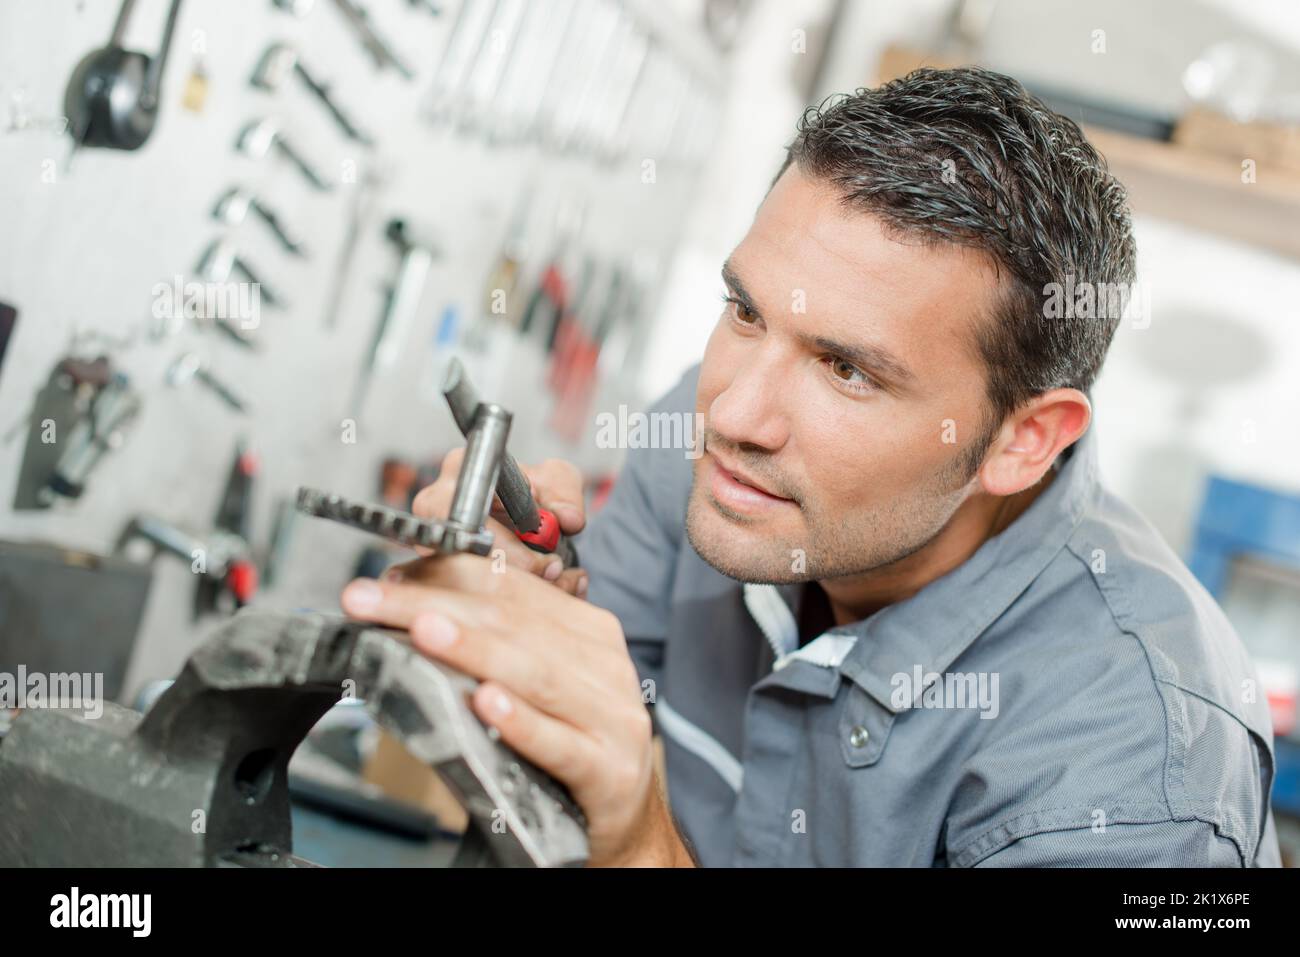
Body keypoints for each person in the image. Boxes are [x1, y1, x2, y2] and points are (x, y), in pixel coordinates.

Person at [340, 67, 1281, 867]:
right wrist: (503, 633)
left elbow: (618, 822)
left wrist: (636, 842)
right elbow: (551, 769)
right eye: (745, 311)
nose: (736, 413)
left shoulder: (1143, 767)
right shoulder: (707, 444)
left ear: (1022, 439)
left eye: (845, 369)